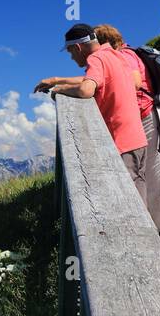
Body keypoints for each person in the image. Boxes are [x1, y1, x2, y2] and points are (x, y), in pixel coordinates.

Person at [35, 24, 149, 201]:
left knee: (124, 200)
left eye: (71, 53)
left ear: (78, 47)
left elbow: (86, 89)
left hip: (122, 142)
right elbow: (95, 79)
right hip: (138, 139)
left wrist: (59, 91)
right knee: (138, 194)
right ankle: (148, 229)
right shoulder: (115, 55)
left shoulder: (95, 58)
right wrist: (57, 81)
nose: (72, 58)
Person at [93, 24, 160, 247]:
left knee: (152, 175)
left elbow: (134, 82)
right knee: (143, 174)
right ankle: (148, 231)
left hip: (148, 117)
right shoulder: (122, 55)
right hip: (142, 118)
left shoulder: (125, 56)